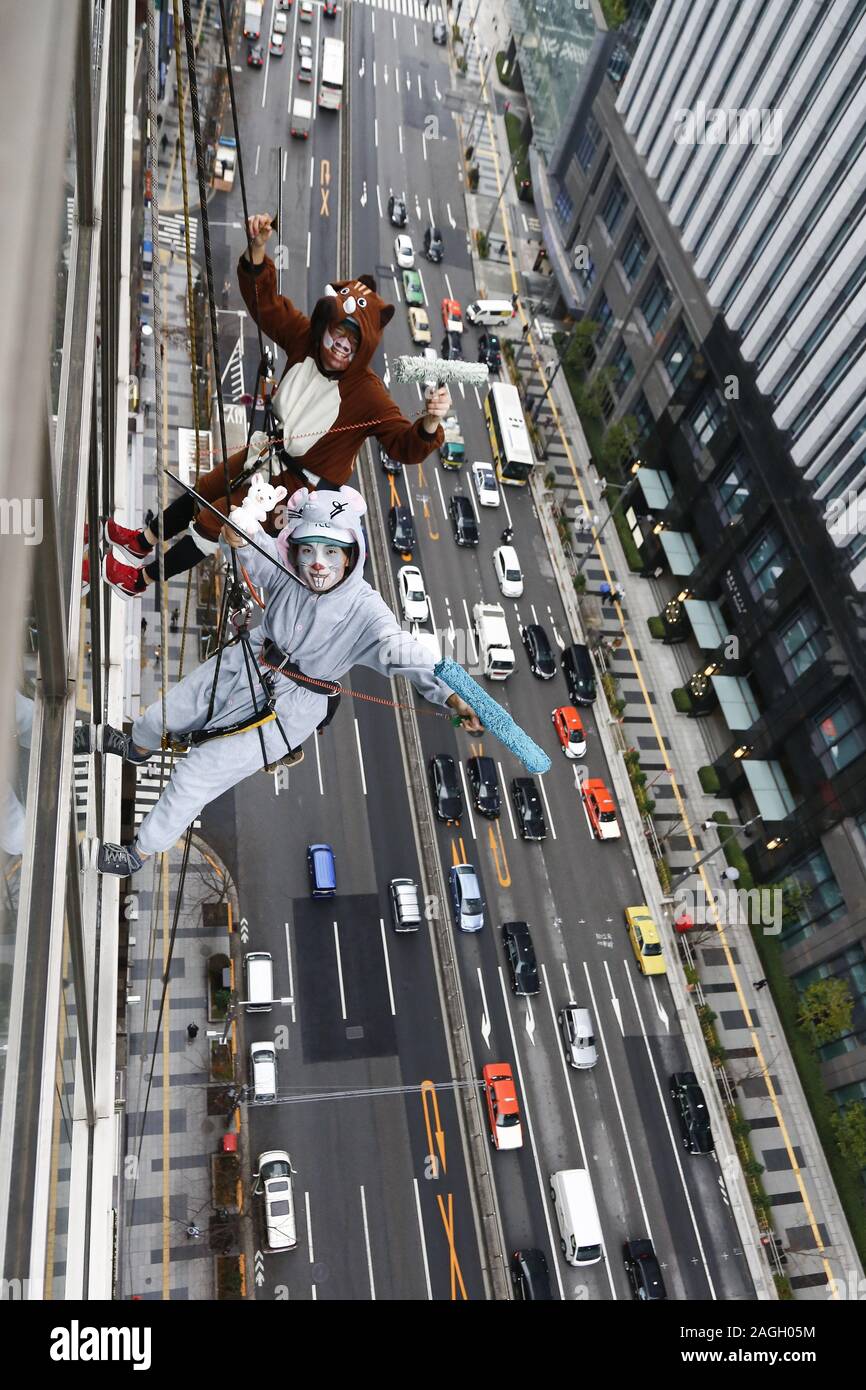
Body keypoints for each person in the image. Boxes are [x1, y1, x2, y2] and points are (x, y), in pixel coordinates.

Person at [93, 485, 482, 876]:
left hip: (288, 709)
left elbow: (405, 652)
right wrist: (239, 533)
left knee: (200, 771)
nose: (317, 564)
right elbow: (258, 554)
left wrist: (453, 694)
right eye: (308, 549)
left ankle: (137, 854)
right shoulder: (289, 573)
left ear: (350, 557)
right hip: (249, 659)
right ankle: (136, 745)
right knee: (169, 712)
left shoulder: (366, 612)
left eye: (331, 551)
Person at [98, 213, 452, 599]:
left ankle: (139, 580)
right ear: (326, 325)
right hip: (268, 450)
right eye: (336, 335)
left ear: (361, 350)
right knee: (205, 488)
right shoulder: (305, 339)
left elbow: (402, 444)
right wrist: (258, 248)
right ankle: (142, 540)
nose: (338, 348)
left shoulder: (367, 393)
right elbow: (265, 305)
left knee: (214, 520)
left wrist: (430, 422)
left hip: (294, 487)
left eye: (350, 345)